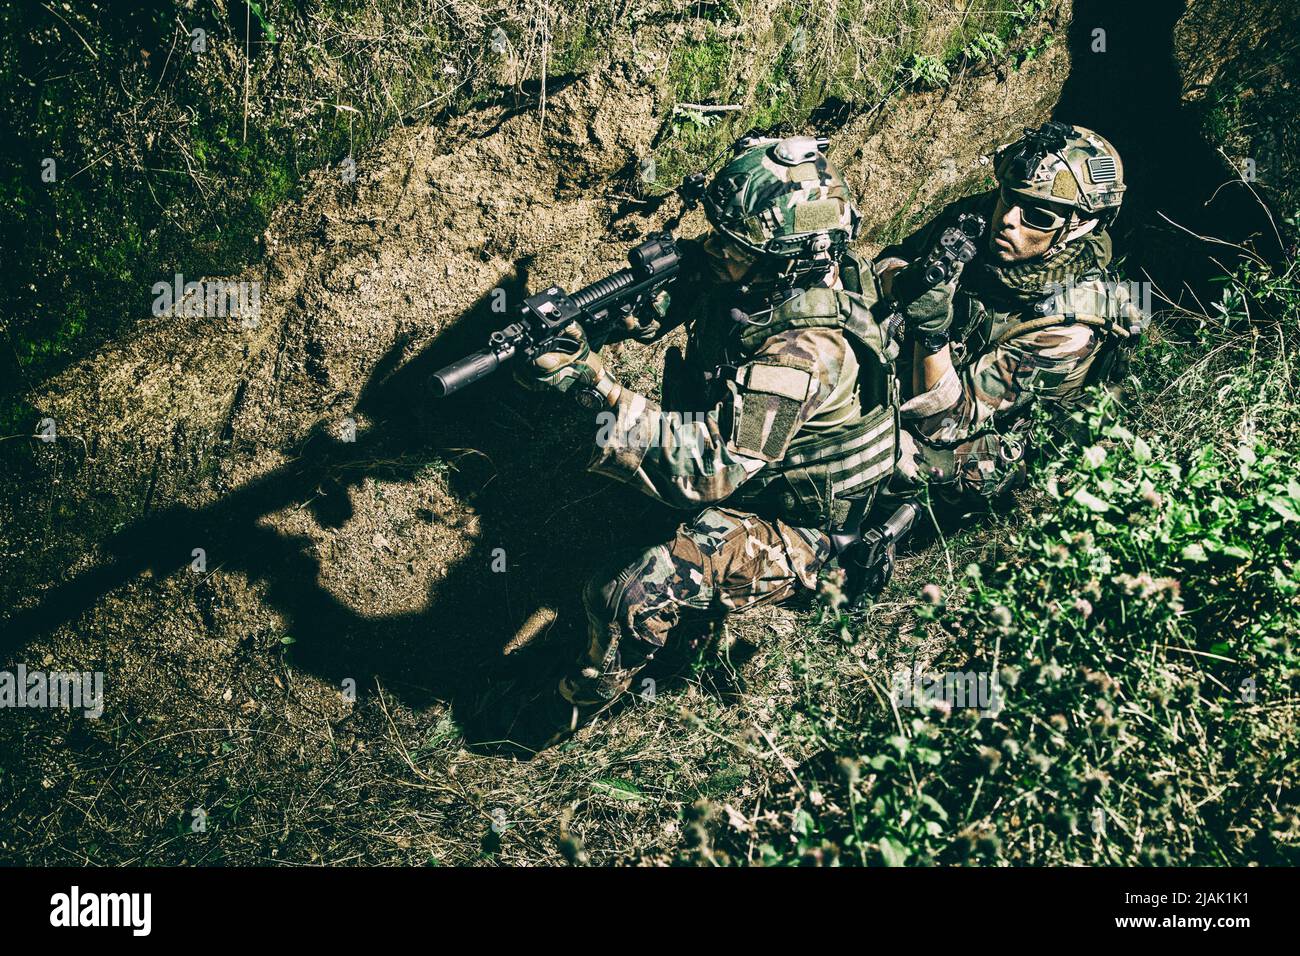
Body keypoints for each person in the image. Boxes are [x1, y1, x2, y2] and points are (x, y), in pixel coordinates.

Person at [507, 135, 899, 746]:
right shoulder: (763, 279)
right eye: (715, 232)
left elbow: (709, 468)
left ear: (783, 261)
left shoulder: (804, 352)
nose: (712, 249)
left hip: (805, 529)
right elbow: (680, 297)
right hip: (757, 476)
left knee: (633, 588)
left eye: (732, 246)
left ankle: (565, 714)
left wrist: (596, 388)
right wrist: (597, 317)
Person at [877, 121, 1145, 507]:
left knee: (899, 458)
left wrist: (930, 331)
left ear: (1080, 226)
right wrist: (904, 283)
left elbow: (943, 424)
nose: (1009, 219)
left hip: (983, 432)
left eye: (1038, 217)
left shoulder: (1068, 326)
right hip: (941, 368)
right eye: (1008, 196)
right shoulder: (982, 217)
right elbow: (888, 262)